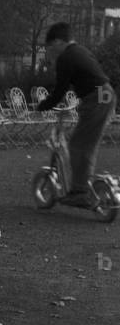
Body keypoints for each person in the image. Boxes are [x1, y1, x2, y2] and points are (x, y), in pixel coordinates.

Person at [36, 22, 116, 206]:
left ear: (58, 42)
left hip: (98, 97)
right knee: (85, 143)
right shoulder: (80, 51)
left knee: (80, 145)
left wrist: (42, 106)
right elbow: (86, 80)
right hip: (105, 94)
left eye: (50, 47)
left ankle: (81, 191)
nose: (51, 52)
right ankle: (82, 188)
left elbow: (60, 90)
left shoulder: (66, 57)